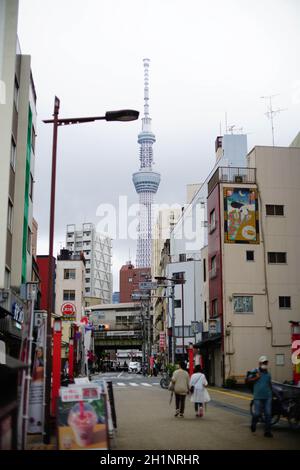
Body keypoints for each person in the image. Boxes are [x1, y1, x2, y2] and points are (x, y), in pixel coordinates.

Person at [248, 355, 273, 438]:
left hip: (267, 396)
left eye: (266, 362)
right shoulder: (255, 371)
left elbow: (269, 384)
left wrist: (271, 393)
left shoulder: (268, 373)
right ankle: (253, 423)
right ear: (259, 363)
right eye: (263, 362)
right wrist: (256, 377)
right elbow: (248, 380)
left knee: (268, 414)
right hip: (258, 396)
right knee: (257, 413)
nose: (264, 364)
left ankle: (267, 431)